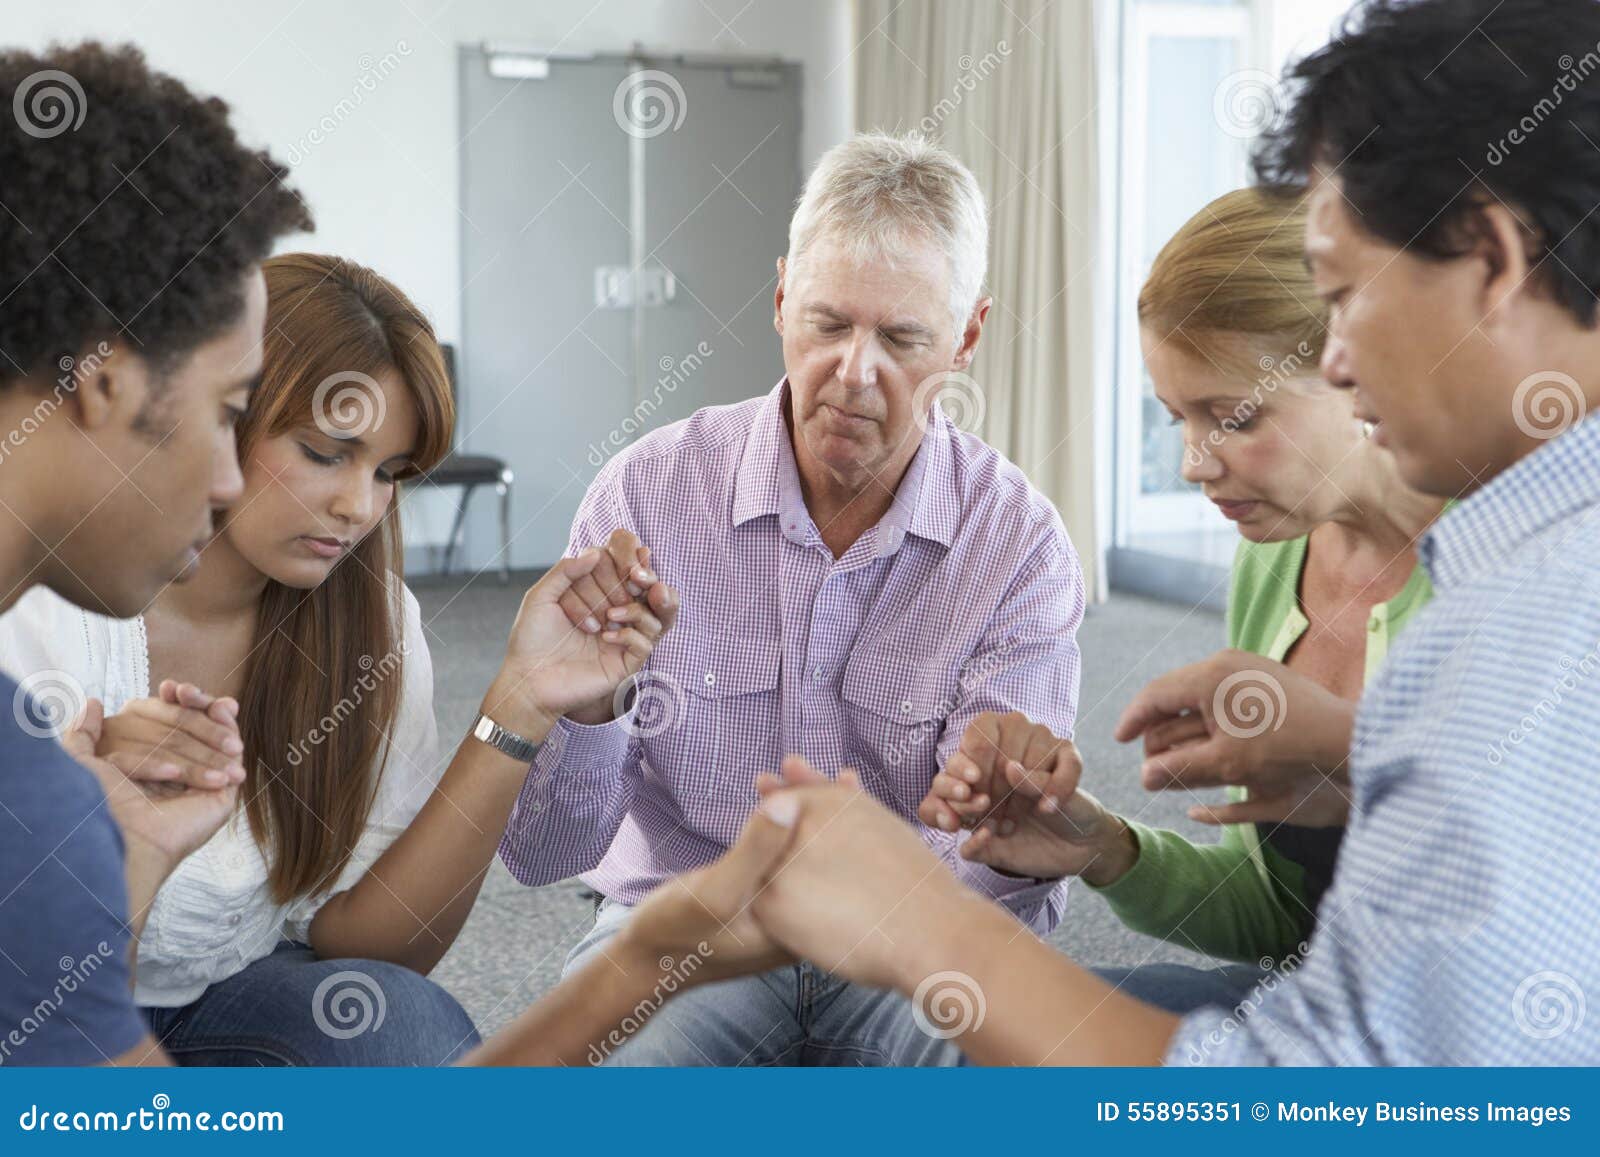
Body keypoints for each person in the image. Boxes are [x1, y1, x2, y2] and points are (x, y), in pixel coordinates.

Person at [691, 0, 1600, 1066]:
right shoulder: (1505, 571)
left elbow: (1336, 1103)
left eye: (1346, 299)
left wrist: (922, 922)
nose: (1343, 359)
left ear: (1491, 260)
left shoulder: (1534, 609)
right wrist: (1324, 768)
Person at [0, 251, 680, 1065]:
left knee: (406, 1028)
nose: (359, 506)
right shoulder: (45, 611)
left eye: (390, 472)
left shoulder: (374, 622)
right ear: (225, 415)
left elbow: (373, 945)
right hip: (45, 1011)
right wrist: (105, 843)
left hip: (233, 992)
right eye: (326, 452)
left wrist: (521, 700)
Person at [498, 130, 1086, 1065]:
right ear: (780, 300)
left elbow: (1005, 893)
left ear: (968, 336)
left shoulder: (1018, 546)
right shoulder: (644, 498)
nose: (855, 373)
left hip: (916, 939)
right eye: (828, 324)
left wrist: (1002, 815)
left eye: (902, 338)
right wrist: (585, 706)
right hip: (682, 921)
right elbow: (545, 852)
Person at [919, 186, 1446, 1014]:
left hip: (1471, 1052)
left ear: (1357, 365)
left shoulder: (1511, 568)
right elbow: (1281, 920)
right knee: (967, 1030)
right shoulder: (1275, 565)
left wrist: (1363, 756)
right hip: (1311, 1004)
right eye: (1176, 420)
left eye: (1233, 417)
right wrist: (1104, 844)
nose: (1195, 462)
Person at [0, 40, 309, 1066]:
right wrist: (643, 958)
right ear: (105, 376)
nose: (229, 479)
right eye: (228, 410)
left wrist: (113, 863)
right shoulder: (19, 788)